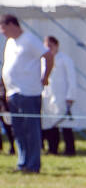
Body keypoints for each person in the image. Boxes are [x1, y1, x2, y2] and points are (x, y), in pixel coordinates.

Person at [2, 13, 53, 174]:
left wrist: (45, 77)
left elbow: (48, 56)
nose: (2, 32)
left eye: (3, 27)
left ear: (12, 25)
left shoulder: (30, 40)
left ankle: (33, 164)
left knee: (31, 129)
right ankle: (22, 161)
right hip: (13, 92)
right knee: (18, 130)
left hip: (29, 92)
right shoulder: (10, 42)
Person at [41, 35, 77, 156]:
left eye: (50, 46)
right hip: (48, 97)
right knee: (50, 124)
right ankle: (53, 149)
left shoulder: (65, 59)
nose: (48, 48)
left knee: (65, 124)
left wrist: (70, 96)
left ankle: (70, 149)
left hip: (62, 96)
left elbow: (72, 79)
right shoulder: (43, 60)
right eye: (46, 46)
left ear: (56, 45)